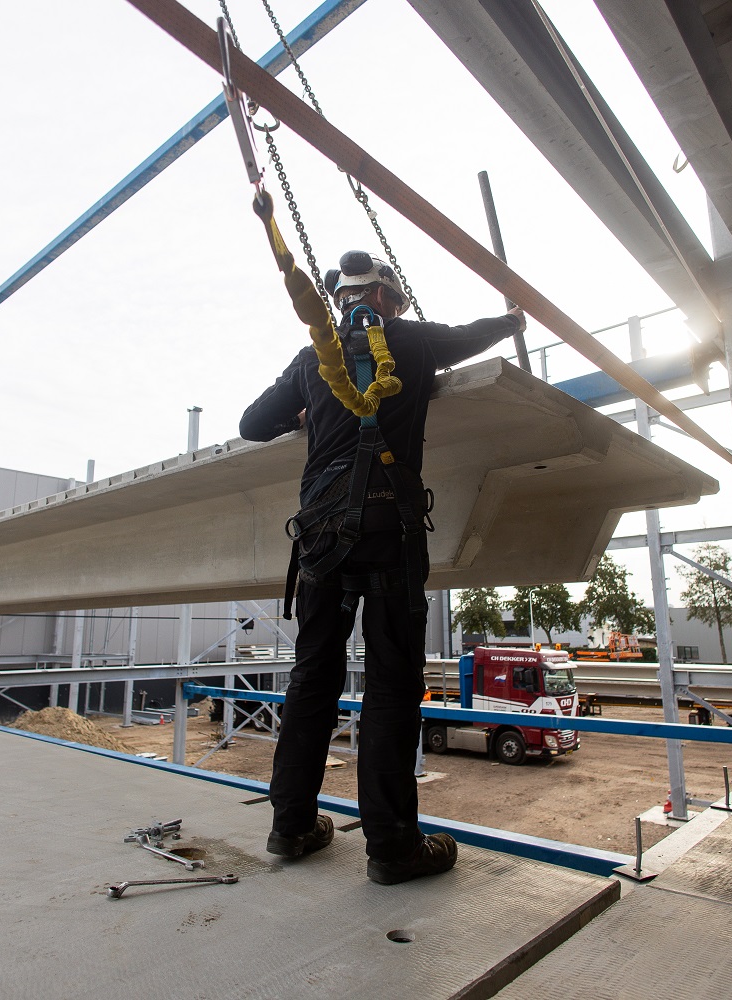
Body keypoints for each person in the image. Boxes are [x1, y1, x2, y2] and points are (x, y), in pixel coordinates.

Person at [240, 251, 524, 885]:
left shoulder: (314, 357)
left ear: (341, 303)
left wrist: (305, 415)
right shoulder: (414, 341)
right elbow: (475, 335)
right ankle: (391, 846)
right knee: (392, 685)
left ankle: (290, 827)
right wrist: (512, 319)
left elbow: (252, 424)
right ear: (391, 299)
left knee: (313, 675)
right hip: (388, 530)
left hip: (320, 536)